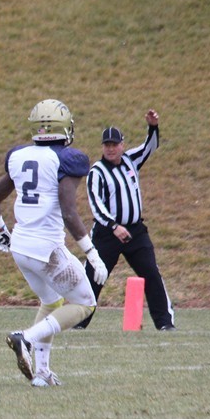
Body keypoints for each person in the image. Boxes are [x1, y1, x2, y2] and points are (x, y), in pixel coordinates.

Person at [0, 99, 109, 387]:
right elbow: (68, 211)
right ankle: (25, 338)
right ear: (65, 128)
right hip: (46, 250)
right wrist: (92, 254)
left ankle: (41, 373)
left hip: (20, 247)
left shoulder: (18, 156)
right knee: (86, 303)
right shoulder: (67, 159)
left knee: (51, 301)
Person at [74, 110, 174, 330]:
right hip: (106, 234)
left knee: (151, 273)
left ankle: (165, 323)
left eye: (114, 144)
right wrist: (113, 226)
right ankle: (77, 322)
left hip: (135, 232)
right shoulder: (97, 172)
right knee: (93, 277)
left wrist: (153, 127)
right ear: (103, 147)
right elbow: (96, 204)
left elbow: (150, 146)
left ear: (122, 145)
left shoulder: (131, 160)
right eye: (107, 145)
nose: (110, 148)